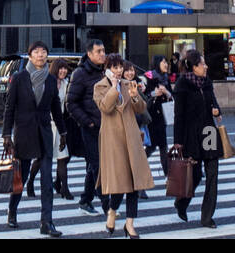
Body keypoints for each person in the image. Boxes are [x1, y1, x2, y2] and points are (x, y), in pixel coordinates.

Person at [1, 41, 65, 237]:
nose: (40, 55)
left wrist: (63, 133)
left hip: (44, 132)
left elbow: (56, 108)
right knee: (22, 177)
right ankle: (12, 210)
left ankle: (47, 222)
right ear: (30, 56)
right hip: (24, 134)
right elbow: (9, 108)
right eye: (36, 52)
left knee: (46, 180)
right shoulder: (19, 78)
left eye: (43, 51)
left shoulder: (51, 80)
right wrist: (6, 134)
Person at [94, 53, 153, 238]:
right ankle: (112, 211)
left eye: (121, 67)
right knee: (121, 184)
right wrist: (114, 87)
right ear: (107, 69)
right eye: (115, 67)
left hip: (132, 138)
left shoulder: (129, 85)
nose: (119, 71)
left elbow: (141, 109)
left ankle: (130, 223)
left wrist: (135, 97)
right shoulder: (100, 86)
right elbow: (105, 107)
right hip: (113, 140)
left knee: (134, 183)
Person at [171, 49, 223, 228]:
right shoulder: (182, 85)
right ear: (194, 67)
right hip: (191, 135)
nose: (206, 66)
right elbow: (178, 116)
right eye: (203, 64)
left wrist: (217, 110)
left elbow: (213, 102)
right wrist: (178, 142)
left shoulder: (207, 82)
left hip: (209, 132)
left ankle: (207, 217)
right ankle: (182, 202)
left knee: (213, 174)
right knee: (194, 174)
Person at [67, 38, 107, 215]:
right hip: (90, 128)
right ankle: (108, 205)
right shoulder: (80, 73)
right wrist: (87, 121)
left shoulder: (105, 72)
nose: (102, 54)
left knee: (94, 165)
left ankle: (85, 199)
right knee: (99, 165)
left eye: (103, 51)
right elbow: (71, 103)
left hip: (107, 127)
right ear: (89, 54)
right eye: (98, 51)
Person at [39, 58, 73, 201]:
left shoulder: (67, 84)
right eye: (61, 68)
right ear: (55, 69)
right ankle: (30, 183)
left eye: (65, 68)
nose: (63, 71)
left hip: (60, 125)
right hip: (47, 125)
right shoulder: (48, 82)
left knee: (62, 157)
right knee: (40, 159)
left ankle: (64, 188)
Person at [143, 55, 173, 176]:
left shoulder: (166, 78)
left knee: (162, 147)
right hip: (151, 117)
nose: (166, 64)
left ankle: (169, 176)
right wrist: (153, 93)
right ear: (157, 63)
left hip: (162, 116)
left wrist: (166, 92)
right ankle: (137, 168)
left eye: (166, 62)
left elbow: (172, 96)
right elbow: (143, 96)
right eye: (163, 62)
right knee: (153, 147)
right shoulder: (149, 77)